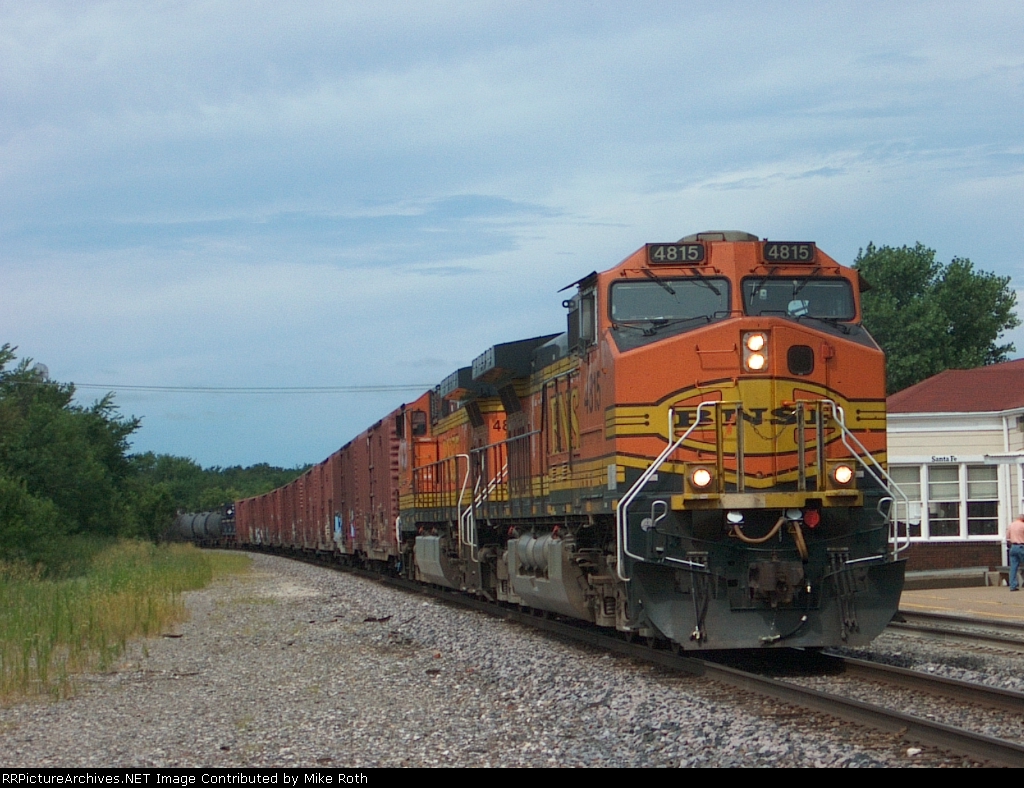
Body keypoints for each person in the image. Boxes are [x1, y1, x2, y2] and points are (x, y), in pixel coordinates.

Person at [1008, 514, 1024, 592]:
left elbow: (1007, 536)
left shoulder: (1011, 525)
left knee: (1013, 567)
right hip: (1021, 546)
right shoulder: (1023, 525)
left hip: (1013, 546)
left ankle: (1013, 585)